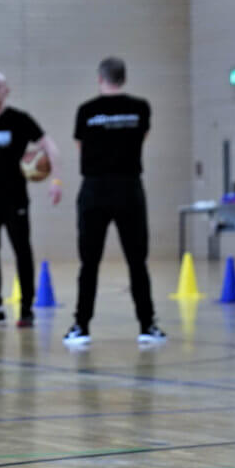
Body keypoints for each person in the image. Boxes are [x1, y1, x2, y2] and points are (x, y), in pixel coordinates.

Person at [63, 57, 167, 347]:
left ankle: (81, 327)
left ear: (100, 78)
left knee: (89, 263)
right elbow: (141, 139)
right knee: (137, 262)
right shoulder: (140, 108)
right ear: (124, 78)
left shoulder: (86, 111)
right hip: (128, 188)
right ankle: (147, 326)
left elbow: (80, 146)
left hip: (94, 189)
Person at [0, 72, 61, 328]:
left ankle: (26, 308)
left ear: (6, 91)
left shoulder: (19, 120)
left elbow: (50, 146)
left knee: (22, 250)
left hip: (14, 198)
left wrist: (56, 181)